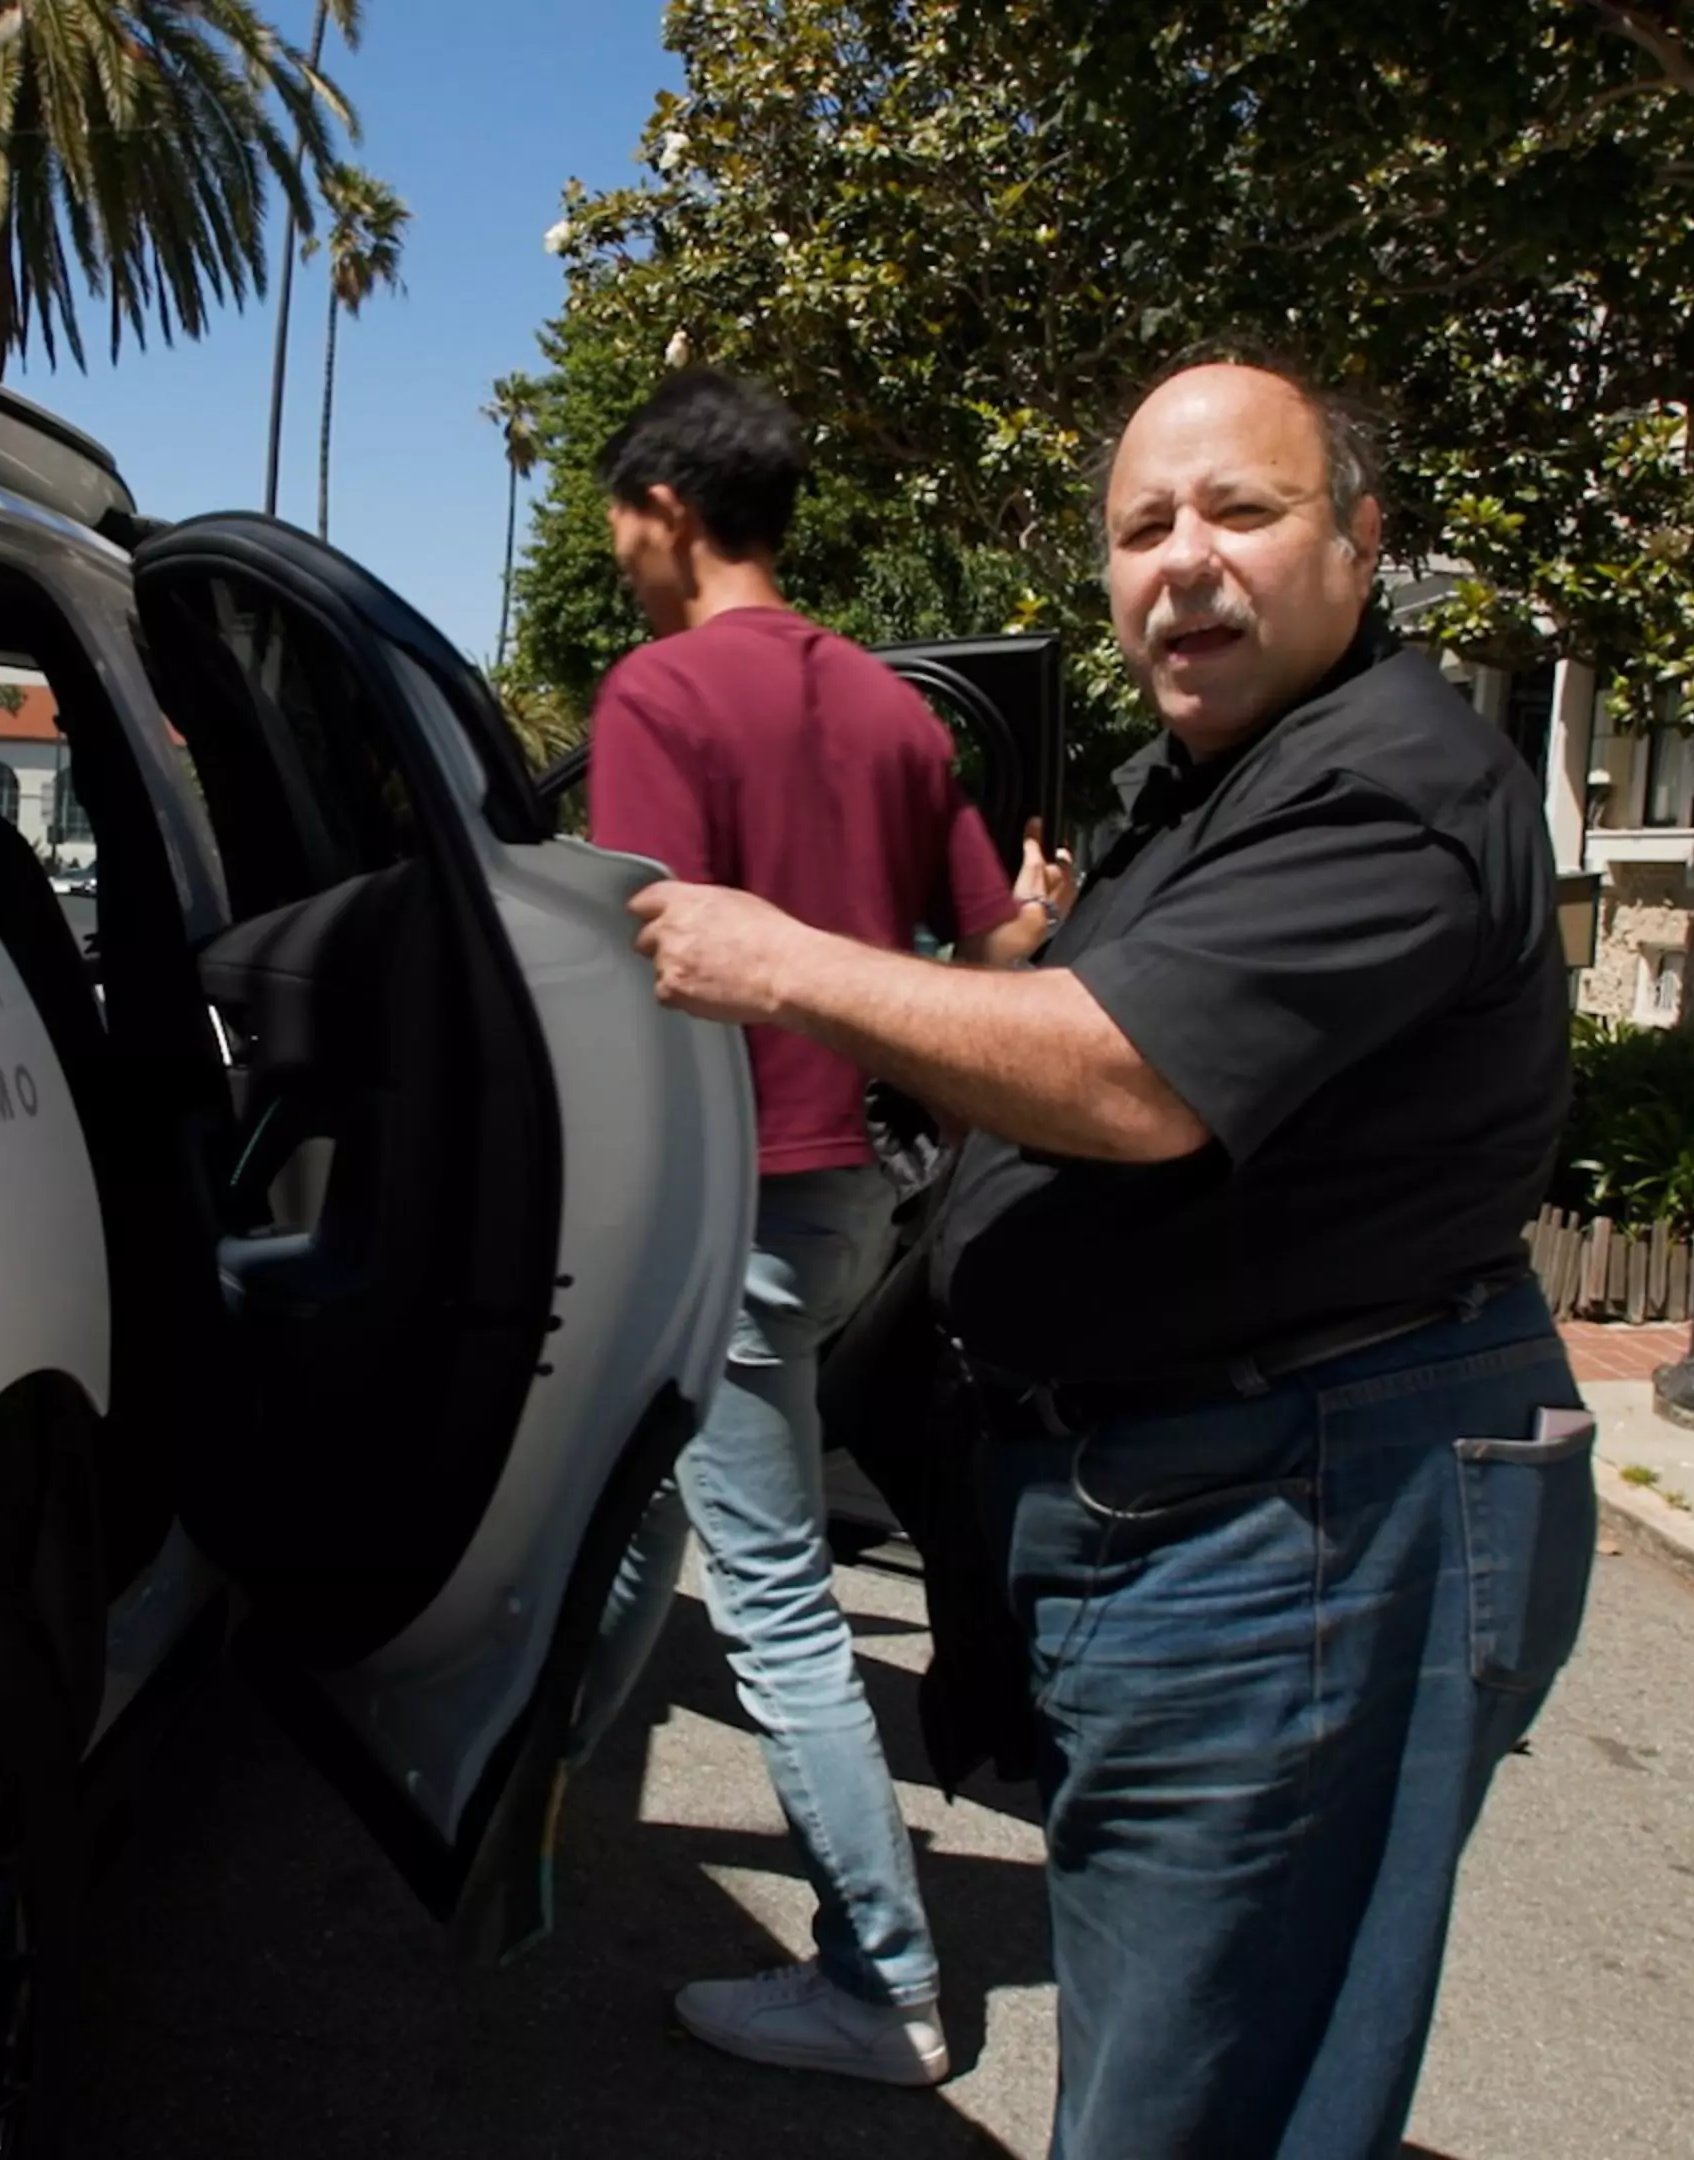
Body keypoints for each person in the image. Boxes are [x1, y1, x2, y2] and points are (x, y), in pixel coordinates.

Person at [625, 356, 1594, 2157]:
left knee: (1204, 2088)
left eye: (1243, 510)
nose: (1184, 560)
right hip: (1191, 1504)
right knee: (1173, 2043)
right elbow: (1044, 1020)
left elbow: (1131, 1076)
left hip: (1298, 1517)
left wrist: (783, 960)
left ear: (1360, 540)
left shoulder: (1388, 787)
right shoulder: (1201, 781)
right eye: (1144, 526)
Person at [568, 368, 1057, 2088]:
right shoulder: (893, 709)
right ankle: (537, 1770)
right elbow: (998, 957)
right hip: (852, 1195)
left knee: (773, 1601)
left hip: (729, 1203)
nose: (618, 555)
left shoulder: (658, 693)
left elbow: (643, 975)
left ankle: (882, 1981)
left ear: (669, 511)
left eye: (620, 524)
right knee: (655, 1491)